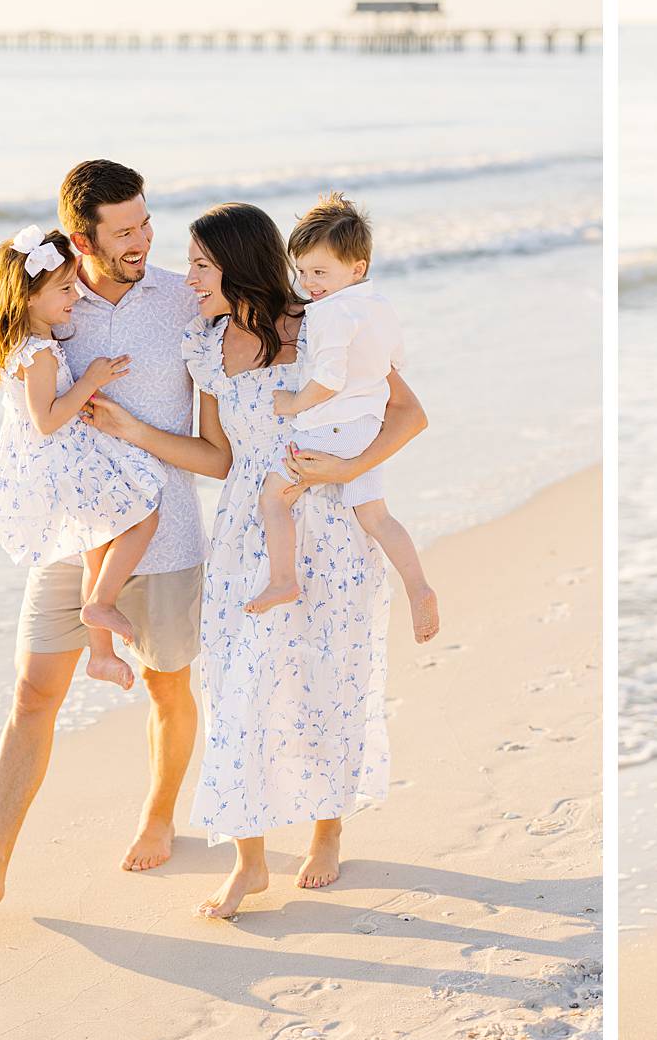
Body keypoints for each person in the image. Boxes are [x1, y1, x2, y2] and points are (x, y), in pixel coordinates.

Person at [86, 202, 425, 916]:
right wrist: (132, 428)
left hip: (329, 529)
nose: (191, 280)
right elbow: (217, 457)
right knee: (238, 692)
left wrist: (344, 469)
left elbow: (408, 415)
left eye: (202, 265)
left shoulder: (319, 325)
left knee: (321, 682)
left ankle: (326, 831)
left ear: (237, 265)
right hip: (245, 533)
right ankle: (248, 860)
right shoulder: (206, 348)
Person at [0, 160, 209, 898]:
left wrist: (135, 431)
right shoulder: (52, 303)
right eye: (125, 230)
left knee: (166, 687)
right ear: (81, 239)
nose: (144, 238)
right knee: (32, 693)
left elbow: (220, 451)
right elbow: (24, 394)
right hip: (71, 533)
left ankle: (158, 815)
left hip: (162, 530)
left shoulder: (184, 301)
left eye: (146, 222)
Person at [245, 192, 440, 644]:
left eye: (319, 272)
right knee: (377, 517)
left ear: (358, 267)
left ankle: (282, 578)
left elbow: (329, 380)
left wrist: (294, 403)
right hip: (366, 428)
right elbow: (397, 358)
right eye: (302, 271)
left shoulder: (331, 312)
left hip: (329, 427)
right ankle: (418, 586)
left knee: (274, 499)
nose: (308, 283)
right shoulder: (379, 305)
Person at [0, 225, 163, 691]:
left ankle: (100, 653)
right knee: (144, 508)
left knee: (96, 549)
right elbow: (44, 420)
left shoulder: (31, 344)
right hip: (64, 461)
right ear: (29, 297)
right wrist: (91, 380)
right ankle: (101, 603)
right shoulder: (38, 351)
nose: (74, 296)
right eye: (63, 288)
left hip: (57, 462)